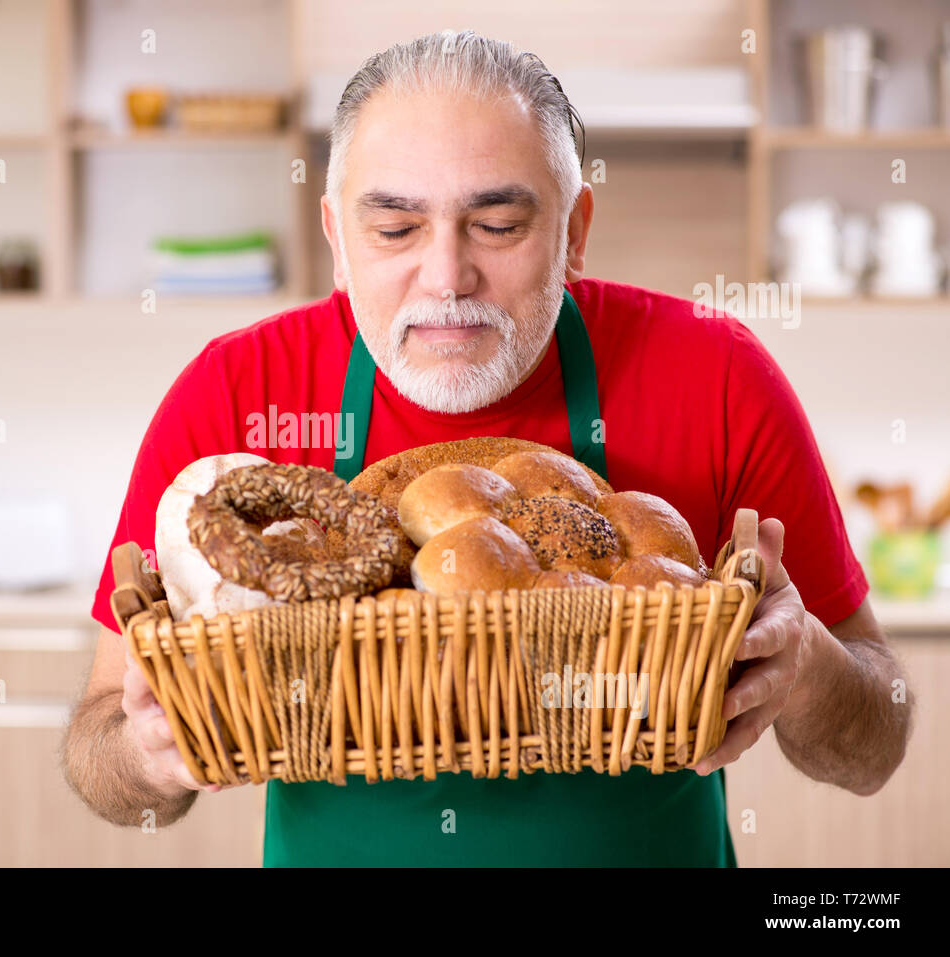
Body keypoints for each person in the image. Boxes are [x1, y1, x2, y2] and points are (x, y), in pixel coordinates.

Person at [62, 30, 911, 866]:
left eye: (497, 224)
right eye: (395, 229)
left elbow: (875, 744)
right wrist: (143, 752)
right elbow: (98, 751)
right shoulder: (239, 394)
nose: (447, 276)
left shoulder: (718, 376)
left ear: (575, 230)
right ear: (335, 238)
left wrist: (803, 665)